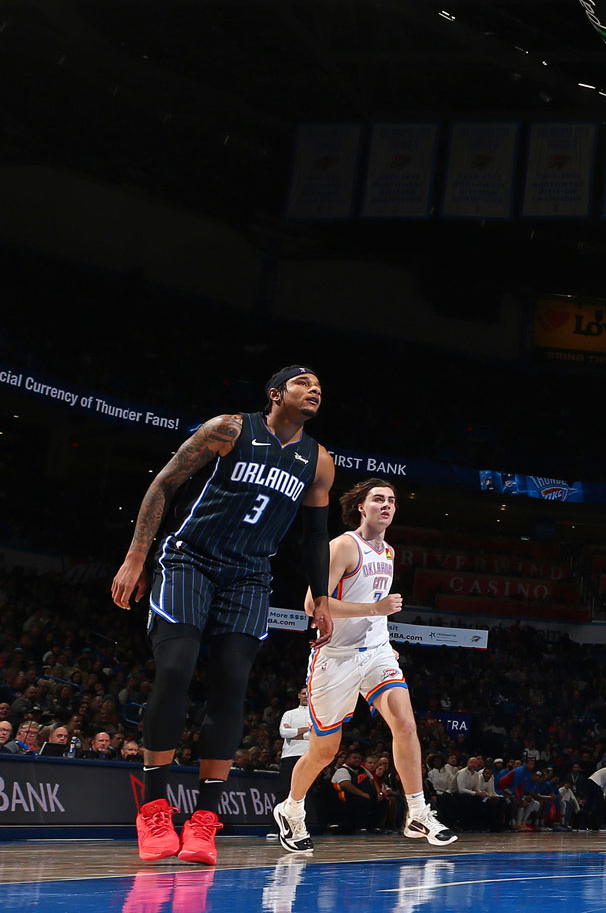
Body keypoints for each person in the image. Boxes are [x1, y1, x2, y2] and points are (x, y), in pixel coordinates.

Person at [109, 365, 341, 867]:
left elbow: (315, 535)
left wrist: (321, 596)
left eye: (319, 387)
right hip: (190, 559)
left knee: (232, 684)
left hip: (249, 575)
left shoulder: (319, 461)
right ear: (276, 393)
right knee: (175, 670)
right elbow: (164, 484)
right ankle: (153, 809)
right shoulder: (228, 429)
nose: (315, 390)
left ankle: (204, 820)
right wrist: (136, 556)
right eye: (304, 383)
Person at [271, 478, 456, 854]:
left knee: (405, 724)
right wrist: (375, 609)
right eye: (378, 499)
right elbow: (311, 604)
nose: (386, 505)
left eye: (392, 500)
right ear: (361, 506)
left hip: (376, 653)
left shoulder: (388, 551)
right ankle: (291, 809)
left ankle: (417, 811)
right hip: (335, 659)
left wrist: (384, 639)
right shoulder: (343, 546)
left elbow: (375, 610)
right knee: (324, 752)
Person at [278, 689, 312, 787]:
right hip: (289, 755)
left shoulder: (316, 716)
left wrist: (293, 732)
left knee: (306, 789)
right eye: (304, 693)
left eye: (309, 693)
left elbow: (315, 735)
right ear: (299, 695)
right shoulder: (289, 714)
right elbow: (283, 732)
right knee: (286, 787)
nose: (306, 696)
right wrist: (307, 729)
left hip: (308, 756)